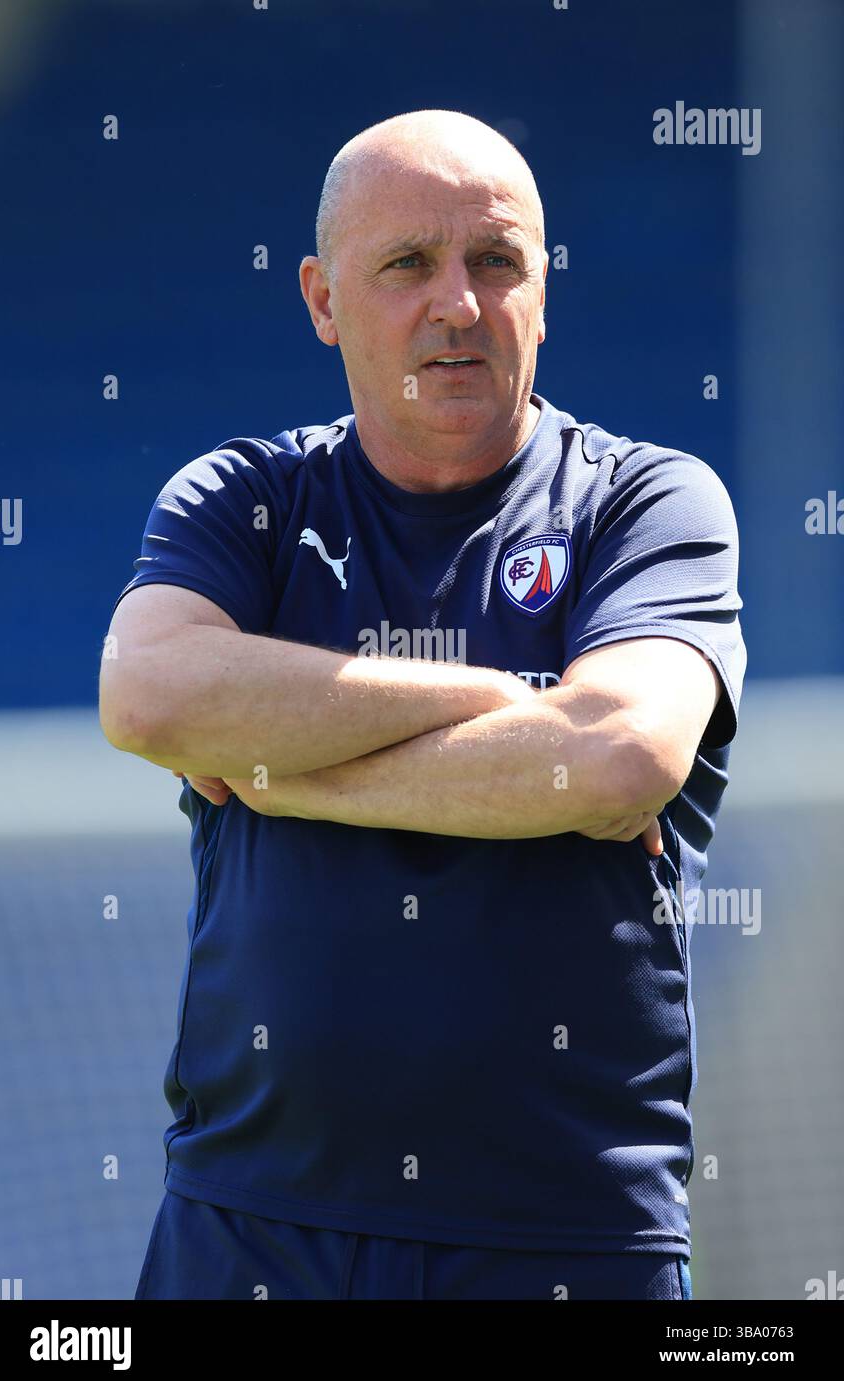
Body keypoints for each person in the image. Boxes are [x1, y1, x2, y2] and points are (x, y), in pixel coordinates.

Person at [99, 109, 746, 1300]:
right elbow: (146, 694)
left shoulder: (649, 502)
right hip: (250, 1227)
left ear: (543, 290)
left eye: (496, 261)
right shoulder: (245, 499)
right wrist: (511, 701)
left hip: (568, 1242)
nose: (459, 302)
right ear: (323, 300)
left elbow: (612, 759)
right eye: (408, 263)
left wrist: (279, 764)